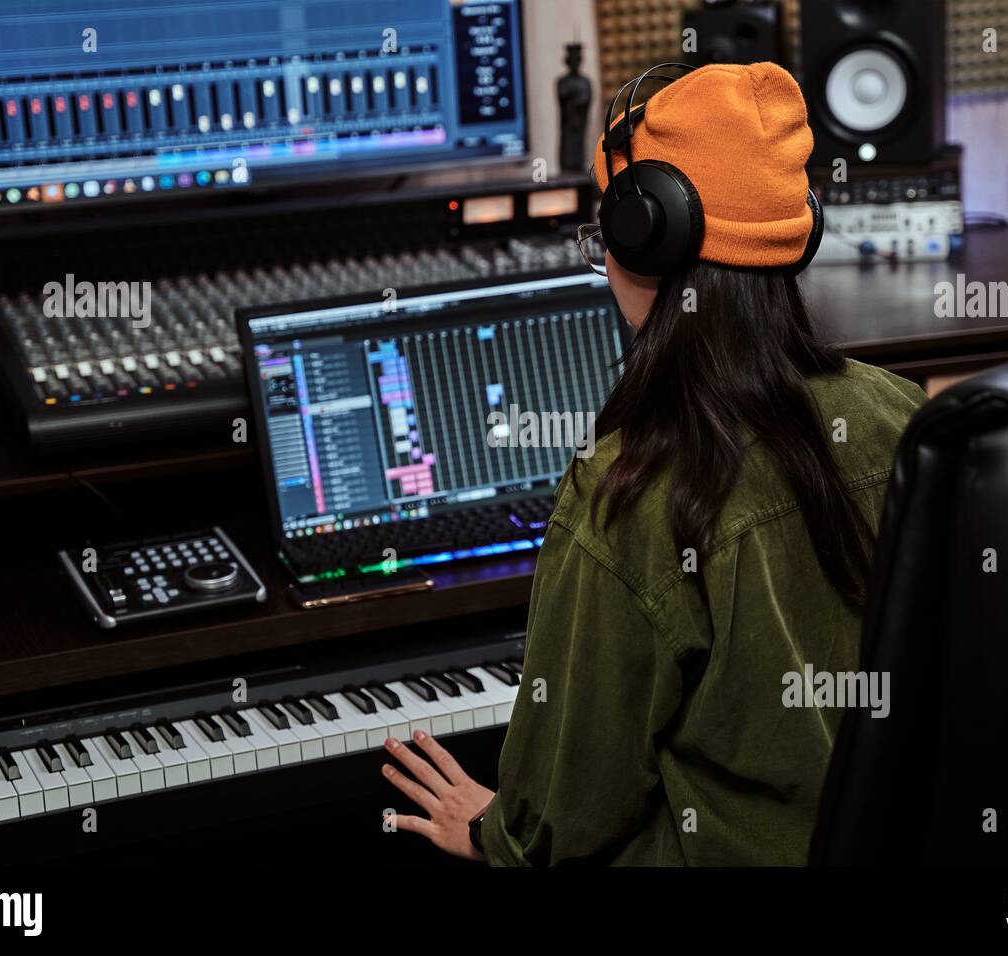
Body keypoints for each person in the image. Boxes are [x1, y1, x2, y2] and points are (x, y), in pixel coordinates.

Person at [379, 61, 928, 865]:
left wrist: (493, 828)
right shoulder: (899, 410)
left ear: (646, 233)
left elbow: (563, 823)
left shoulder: (630, 489)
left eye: (605, 235)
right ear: (794, 225)